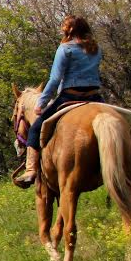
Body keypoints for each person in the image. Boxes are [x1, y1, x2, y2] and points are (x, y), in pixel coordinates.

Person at [15, 15, 104, 188]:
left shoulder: (65, 49)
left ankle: (31, 170)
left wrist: (41, 104)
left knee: (34, 130)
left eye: (63, 26)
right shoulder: (96, 48)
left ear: (69, 30)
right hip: (95, 96)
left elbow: (55, 79)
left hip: (70, 96)